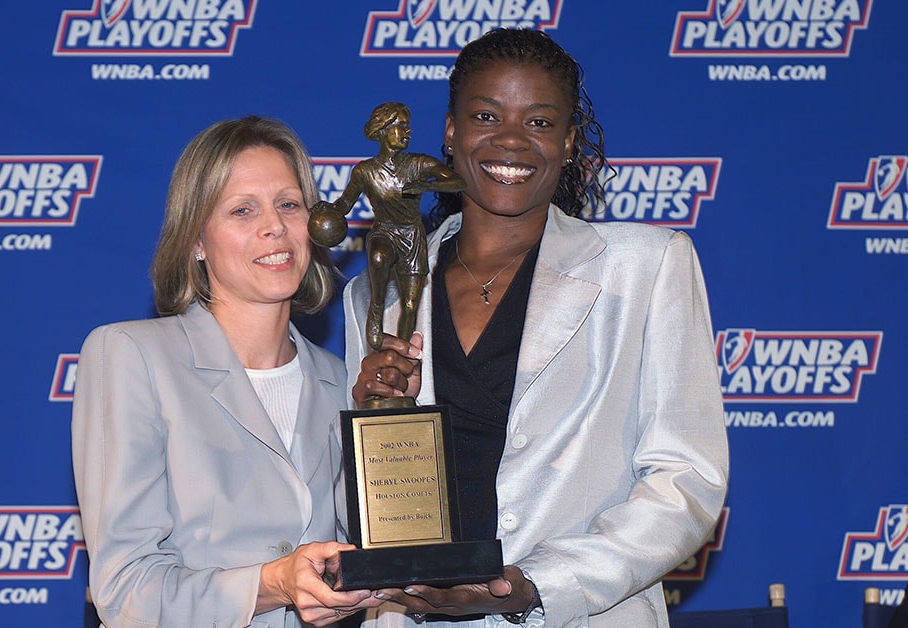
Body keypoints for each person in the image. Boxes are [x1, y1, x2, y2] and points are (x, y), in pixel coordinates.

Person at [344, 29, 729, 626]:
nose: (511, 140)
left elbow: (686, 480)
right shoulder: (378, 294)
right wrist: (370, 419)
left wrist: (537, 585)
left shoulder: (646, 267)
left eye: (540, 122)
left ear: (569, 141)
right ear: (450, 132)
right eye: (485, 116)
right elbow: (356, 516)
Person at [72, 116, 379, 627]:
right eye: (242, 210)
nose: (274, 227)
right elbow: (125, 589)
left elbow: (363, 559)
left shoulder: (342, 382)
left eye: (289, 204)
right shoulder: (131, 356)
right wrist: (273, 583)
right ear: (196, 240)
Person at [314, 102, 465, 353]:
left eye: (408, 126)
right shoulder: (365, 171)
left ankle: (402, 352)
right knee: (378, 257)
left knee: (410, 304)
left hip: (412, 235)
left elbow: (459, 182)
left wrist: (427, 186)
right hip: (384, 231)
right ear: (383, 130)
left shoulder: (418, 164)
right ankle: (376, 308)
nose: (408, 131)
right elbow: (344, 204)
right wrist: (326, 210)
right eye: (401, 126)